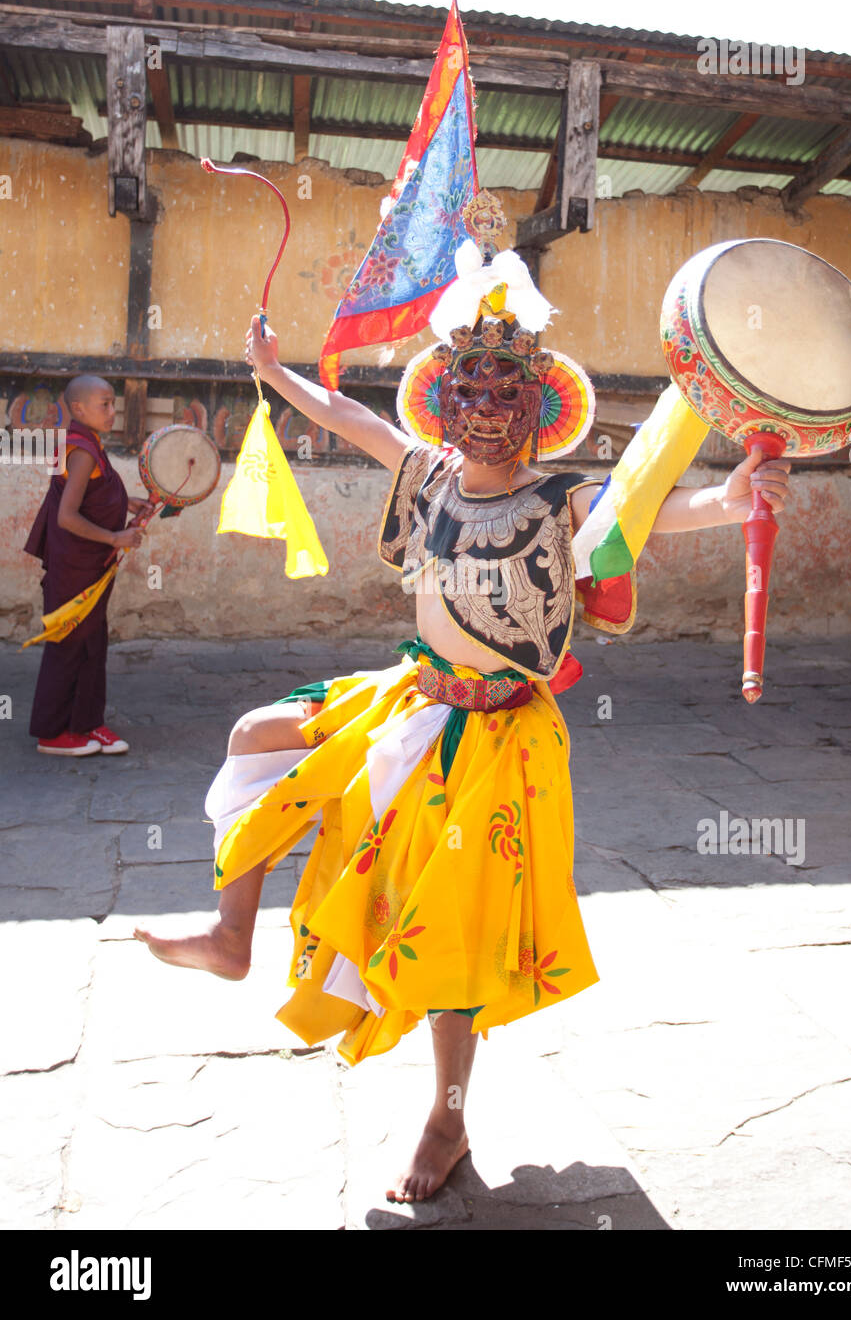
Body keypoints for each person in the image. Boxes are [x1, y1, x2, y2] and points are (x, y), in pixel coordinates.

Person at [134, 249, 791, 1204]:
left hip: (498, 739)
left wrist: (731, 501)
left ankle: (446, 1116)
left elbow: (642, 514)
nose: (485, 406)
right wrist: (274, 375)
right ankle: (233, 935)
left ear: (537, 407)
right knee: (253, 735)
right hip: (413, 696)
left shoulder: (558, 498)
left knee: (447, 936)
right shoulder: (430, 476)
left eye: (504, 390)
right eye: (469, 386)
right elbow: (352, 416)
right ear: (442, 399)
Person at [25, 376, 147, 756]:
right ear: (79, 409)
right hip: (75, 567)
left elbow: (97, 489)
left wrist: (127, 504)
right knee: (68, 643)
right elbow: (66, 516)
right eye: (105, 404)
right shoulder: (81, 451)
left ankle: (87, 724)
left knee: (92, 643)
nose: (113, 412)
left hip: (89, 565)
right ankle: (53, 734)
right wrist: (115, 538)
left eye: (113, 404)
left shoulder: (87, 442)